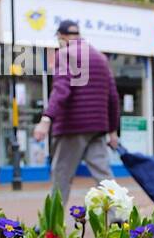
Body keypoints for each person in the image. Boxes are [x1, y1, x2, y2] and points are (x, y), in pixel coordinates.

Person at [33, 20, 120, 207]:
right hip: (98, 127)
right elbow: (113, 96)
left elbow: (62, 90)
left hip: (72, 127)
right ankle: (118, 220)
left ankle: (52, 225)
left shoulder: (64, 54)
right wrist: (112, 130)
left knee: (61, 175)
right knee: (104, 176)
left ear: (62, 37)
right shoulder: (100, 58)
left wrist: (46, 119)